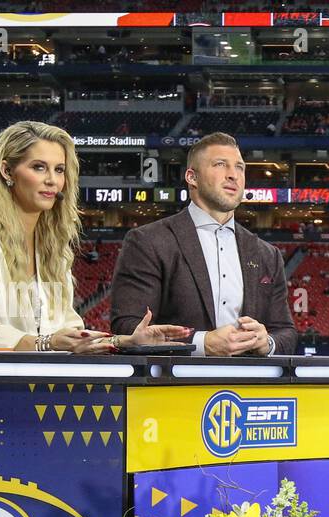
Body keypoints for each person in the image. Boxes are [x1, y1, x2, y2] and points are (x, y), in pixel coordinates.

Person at [0, 121, 188, 352]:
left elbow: (70, 331)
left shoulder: (53, 242)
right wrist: (48, 343)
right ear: (7, 172)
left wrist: (124, 341)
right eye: (39, 167)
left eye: (59, 170)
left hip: (36, 375)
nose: (52, 180)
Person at [110, 132, 297, 357]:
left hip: (248, 387)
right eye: (220, 164)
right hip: (173, 385)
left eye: (239, 167)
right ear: (192, 177)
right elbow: (128, 326)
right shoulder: (148, 241)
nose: (233, 175)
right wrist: (202, 343)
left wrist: (266, 341)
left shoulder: (266, 253)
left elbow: (286, 332)